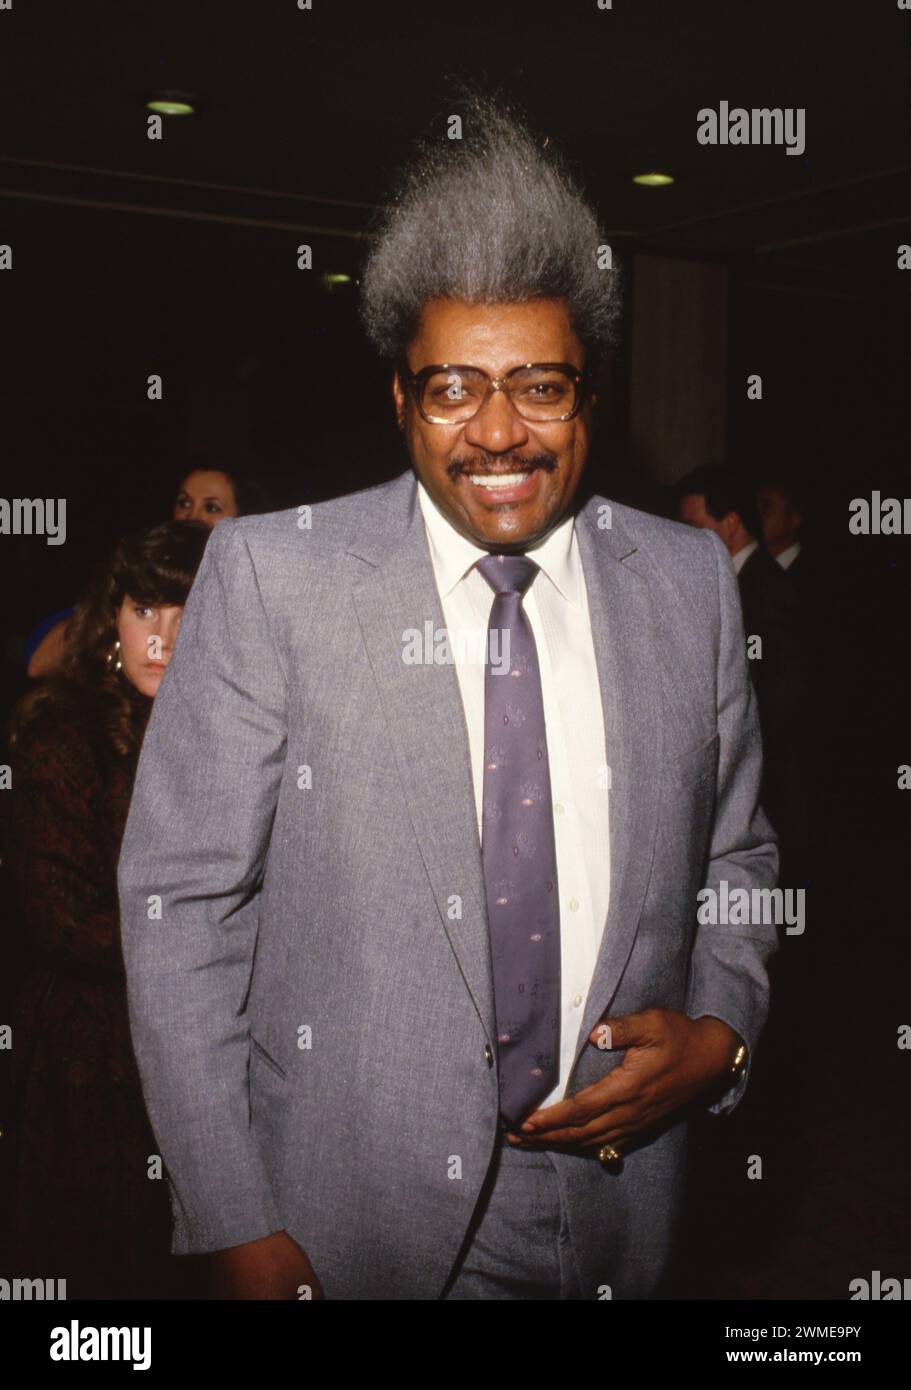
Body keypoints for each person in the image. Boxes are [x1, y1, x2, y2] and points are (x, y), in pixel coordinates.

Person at [117, 96, 778, 1301]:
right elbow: (177, 905)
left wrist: (717, 1036)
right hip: (340, 1221)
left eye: (538, 385)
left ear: (591, 389)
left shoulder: (687, 586)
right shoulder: (275, 577)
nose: (497, 433)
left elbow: (737, 855)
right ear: (399, 399)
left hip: (624, 1205)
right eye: (451, 389)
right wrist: (228, 1218)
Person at [2, 521, 209, 1298]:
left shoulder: (223, 731)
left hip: (194, 1036)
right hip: (88, 1046)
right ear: (110, 621)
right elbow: (59, 918)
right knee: (101, 1266)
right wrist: (211, 944)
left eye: (186, 614)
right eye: (145, 610)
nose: (162, 636)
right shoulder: (62, 731)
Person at [23, 460, 269, 678]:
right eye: (184, 503)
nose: (192, 516)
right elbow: (39, 663)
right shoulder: (140, 580)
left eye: (212, 507)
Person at [677, 465, 805, 864]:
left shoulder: (763, 589)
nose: (679, 542)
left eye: (694, 527)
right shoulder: (738, 582)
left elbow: (782, 695)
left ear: (731, 524)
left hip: (770, 789)